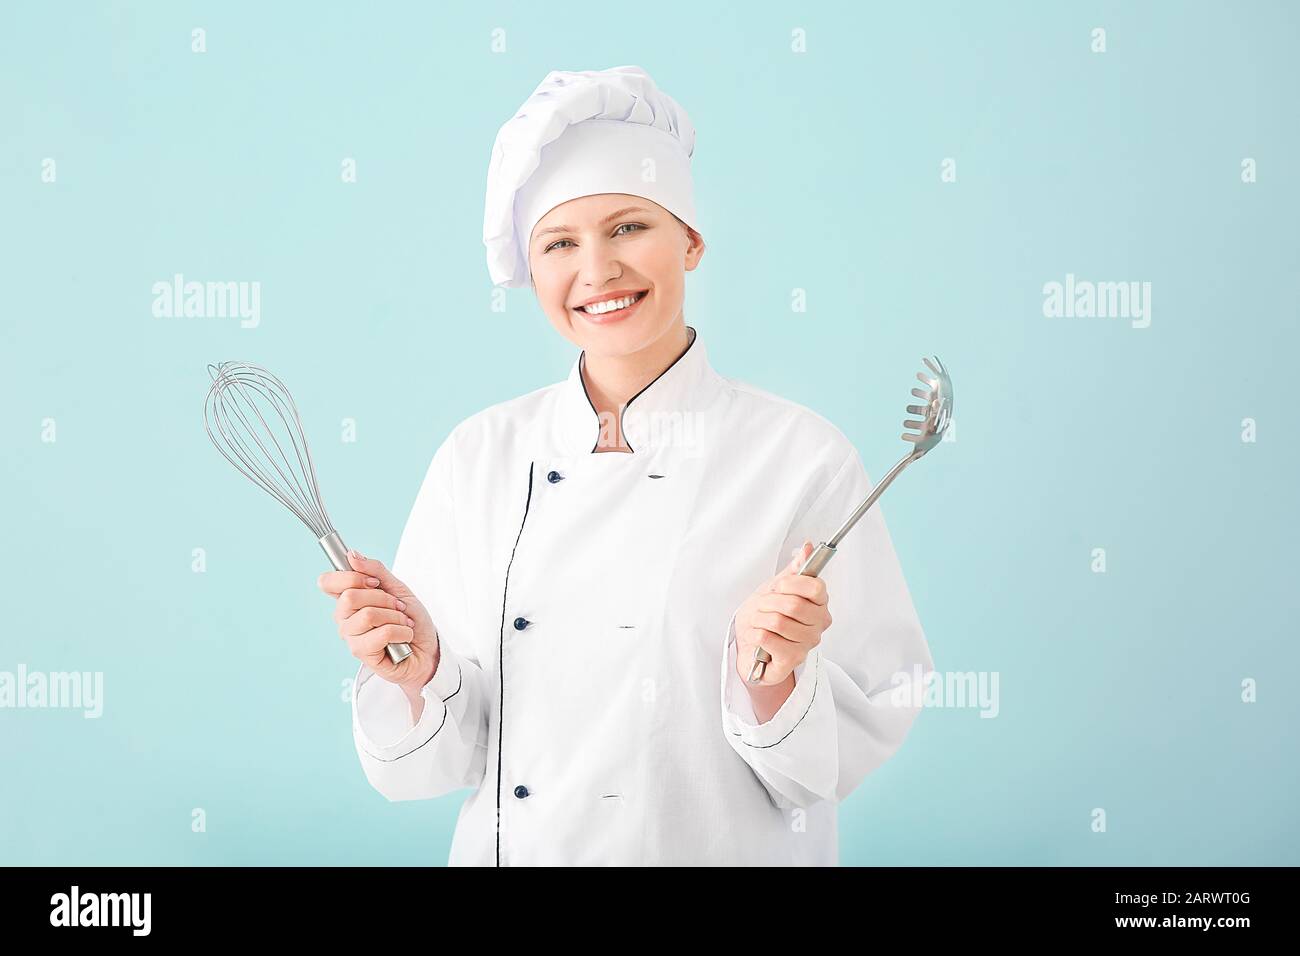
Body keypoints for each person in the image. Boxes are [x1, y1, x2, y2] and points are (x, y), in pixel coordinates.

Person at [318, 65, 933, 866]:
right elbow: (443, 763)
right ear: (531, 271)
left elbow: (845, 744)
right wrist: (419, 675)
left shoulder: (800, 458)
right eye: (560, 243)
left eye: (629, 227)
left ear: (692, 240)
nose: (598, 271)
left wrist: (775, 678)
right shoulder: (479, 458)